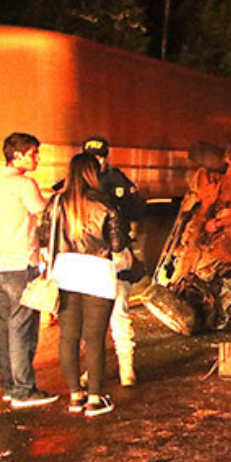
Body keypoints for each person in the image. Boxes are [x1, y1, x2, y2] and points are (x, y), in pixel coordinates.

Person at [0, 133, 60, 408]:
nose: (37, 158)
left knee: (5, 329)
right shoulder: (24, 184)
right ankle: (24, 390)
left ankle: (9, 386)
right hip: (21, 264)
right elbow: (46, 216)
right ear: (18, 155)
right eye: (34, 153)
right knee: (23, 329)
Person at [40, 152, 126, 416]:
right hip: (97, 272)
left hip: (65, 271)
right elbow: (117, 244)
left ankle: (75, 396)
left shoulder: (56, 203)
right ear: (93, 173)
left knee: (68, 337)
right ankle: (94, 399)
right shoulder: (106, 203)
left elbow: (44, 236)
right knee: (94, 339)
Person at [80, 137, 146, 385]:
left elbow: (139, 210)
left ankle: (126, 368)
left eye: (100, 156)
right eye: (93, 157)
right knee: (93, 320)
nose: (97, 162)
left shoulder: (116, 181)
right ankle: (94, 369)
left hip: (113, 256)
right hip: (94, 258)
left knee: (118, 314)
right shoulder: (81, 187)